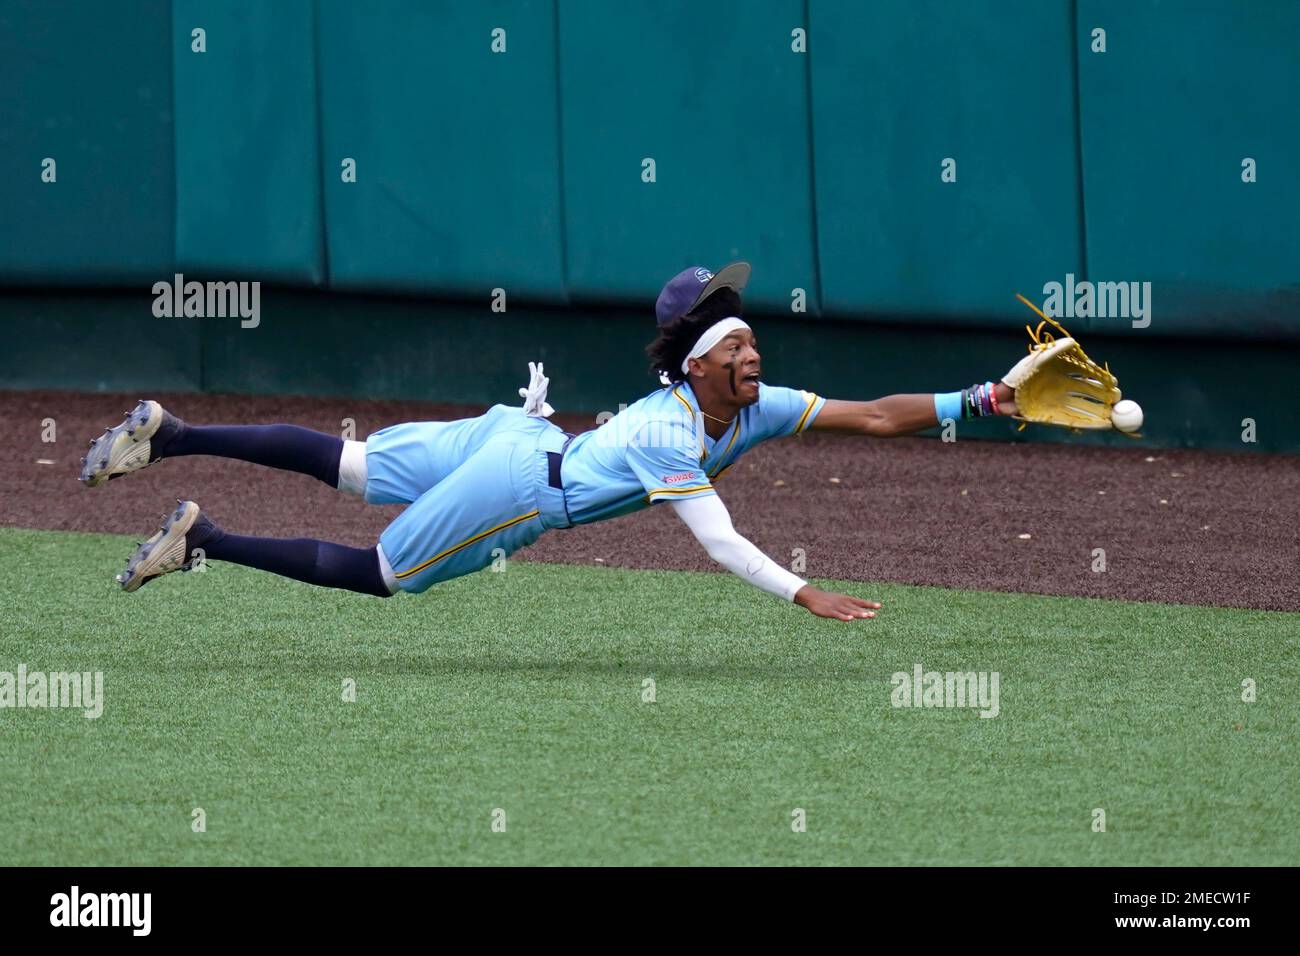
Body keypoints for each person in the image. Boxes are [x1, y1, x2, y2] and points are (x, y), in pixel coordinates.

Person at [81, 262, 1018, 622]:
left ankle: (172, 436)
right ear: (694, 365)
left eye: (749, 336)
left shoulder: (759, 402)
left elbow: (879, 413)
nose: (750, 349)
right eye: (731, 341)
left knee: (350, 465)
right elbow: (719, 540)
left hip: (521, 431)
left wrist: (981, 397)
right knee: (380, 576)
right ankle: (203, 539)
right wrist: (801, 589)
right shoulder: (666, 435)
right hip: (521, 488)